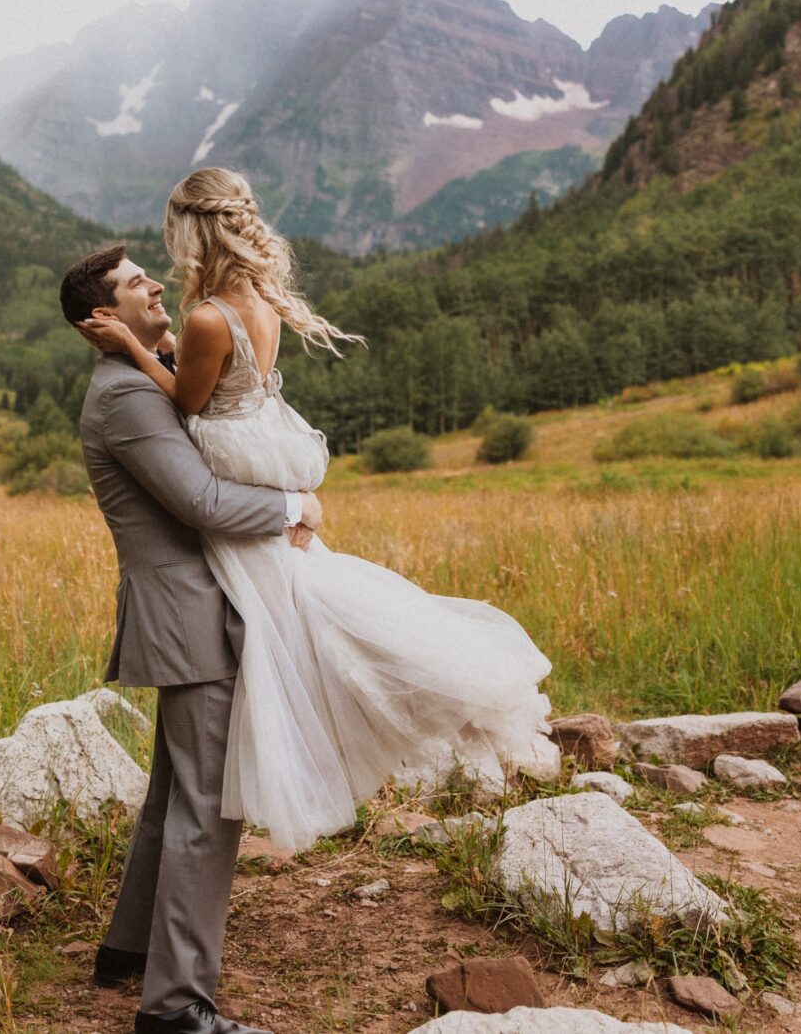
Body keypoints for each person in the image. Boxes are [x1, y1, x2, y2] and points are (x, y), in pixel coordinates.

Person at [78, 166, 559, 858]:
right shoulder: (257, 300)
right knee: (312, 610)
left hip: (236, 462)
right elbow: (223, 376)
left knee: (294, 623)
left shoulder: (206, 317)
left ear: (194, 232)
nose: (161, 266)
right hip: (259, 445)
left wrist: (133, 346)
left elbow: (186, 401)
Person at [60, 242, 319, 1034]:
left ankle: (131, 947)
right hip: (186, 615)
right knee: (209, 807)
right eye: (136, 283)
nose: (155, 285)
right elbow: (202, 500)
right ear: (102, 315)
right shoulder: (125, 399)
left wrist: (165, 348)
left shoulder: (139, 377)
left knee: (175, 793)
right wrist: (293, 507)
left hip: (191, 611)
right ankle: (175, 1007)